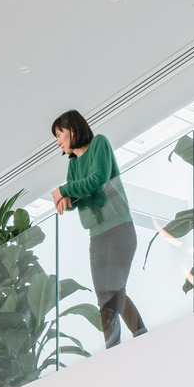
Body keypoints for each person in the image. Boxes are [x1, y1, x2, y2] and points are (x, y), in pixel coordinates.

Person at [50, 110, 147, 348]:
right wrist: (69, 199)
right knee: (104, 297)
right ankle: (115, 349)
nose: (58, 142)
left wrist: (65, 190)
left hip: (120, 229)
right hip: (97, 235)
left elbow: (97, 180)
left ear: (73, 130)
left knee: (114, 289)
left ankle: (142, 337)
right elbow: (83, 197)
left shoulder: (99, 144)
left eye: (60, 135)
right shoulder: (73, 166)